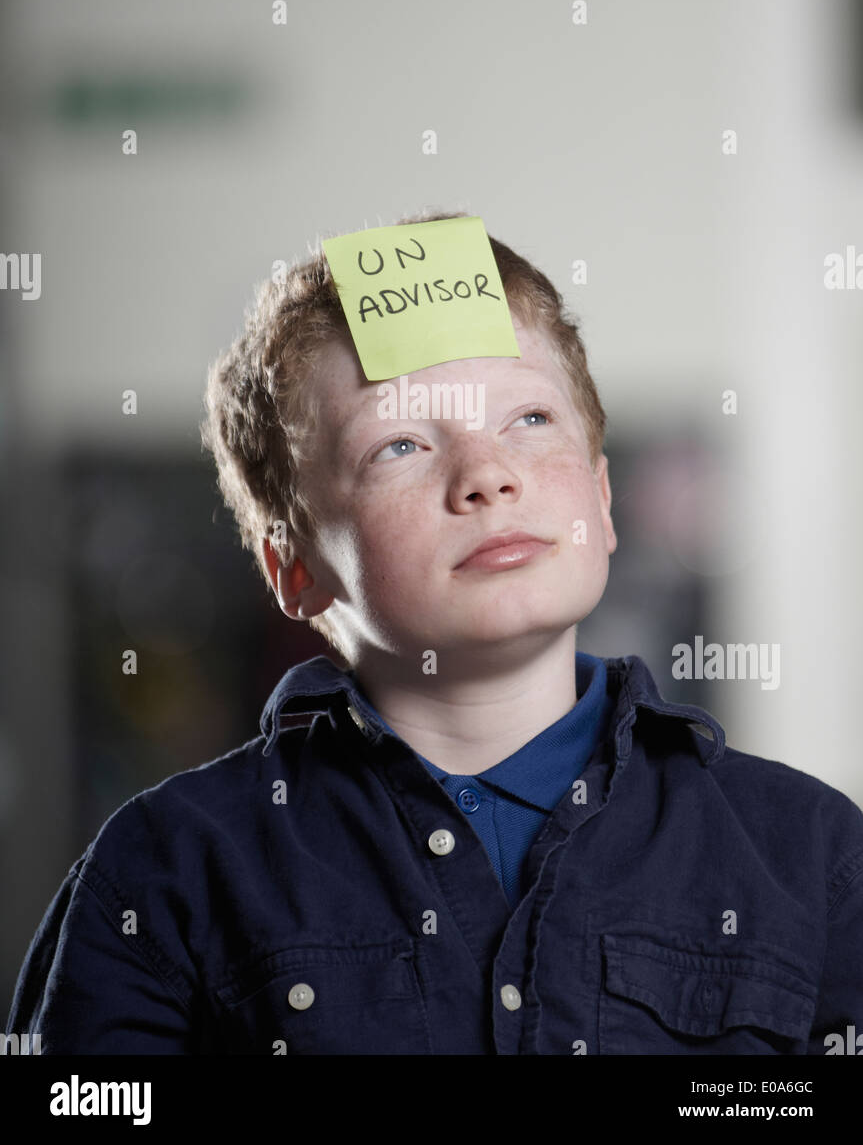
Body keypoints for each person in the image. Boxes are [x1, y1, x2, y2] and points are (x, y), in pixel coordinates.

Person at [6, 209, 863, 1054]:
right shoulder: (168, 872)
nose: (487, 475)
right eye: (400, 446)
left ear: (600, 501)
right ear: (293, 569)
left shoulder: (812, 854)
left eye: (528, 421)